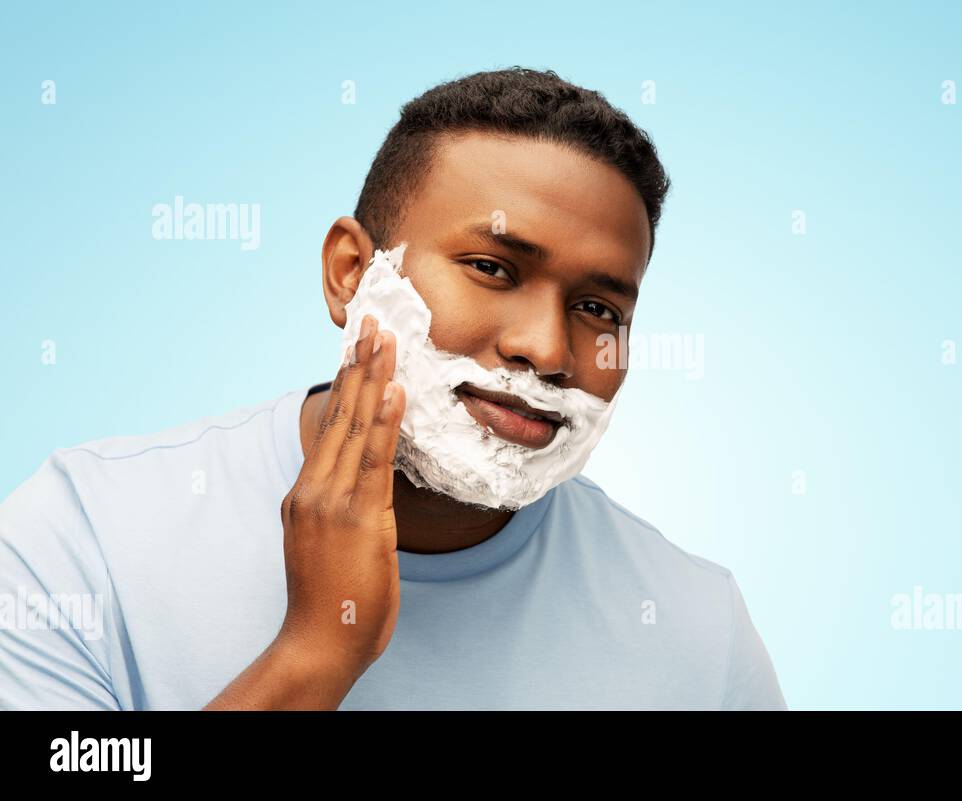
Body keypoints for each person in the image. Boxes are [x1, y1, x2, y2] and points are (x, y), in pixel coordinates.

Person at [0, 67, 786, 710]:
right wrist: (315, 653)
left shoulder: (697, 630)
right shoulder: (83, 540)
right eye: (492, 268)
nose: (546, 349)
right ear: (352, 273)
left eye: (597, 308)